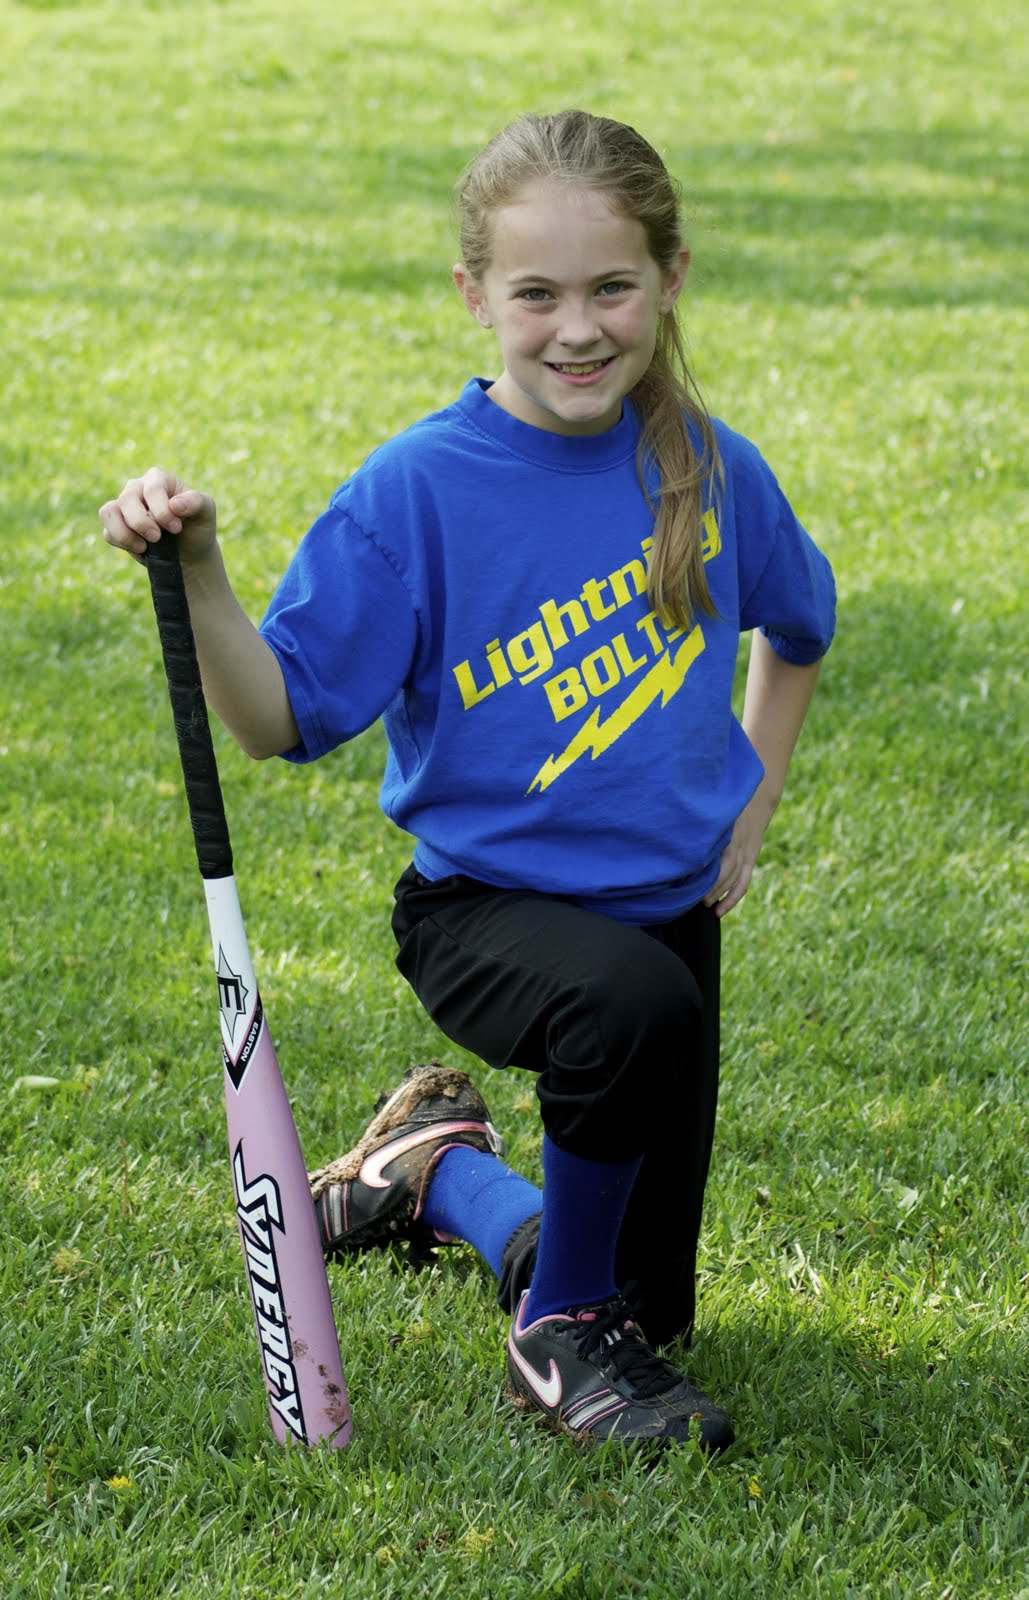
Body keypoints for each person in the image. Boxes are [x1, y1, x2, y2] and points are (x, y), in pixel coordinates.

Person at [100, 109, 835, 1453]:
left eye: (611, 287)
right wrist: (200, 568)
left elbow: (797, 629)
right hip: (483, 911)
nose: (577, 328)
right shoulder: (415, 493)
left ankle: (431, 1177)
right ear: (472, 296)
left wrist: (751, 804)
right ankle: (553, 1349)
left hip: (661, 923)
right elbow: (275, 718)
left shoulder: (709, 471)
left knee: (645, 1303)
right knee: (626, 1022)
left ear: (668, 280)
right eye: (535, 293)